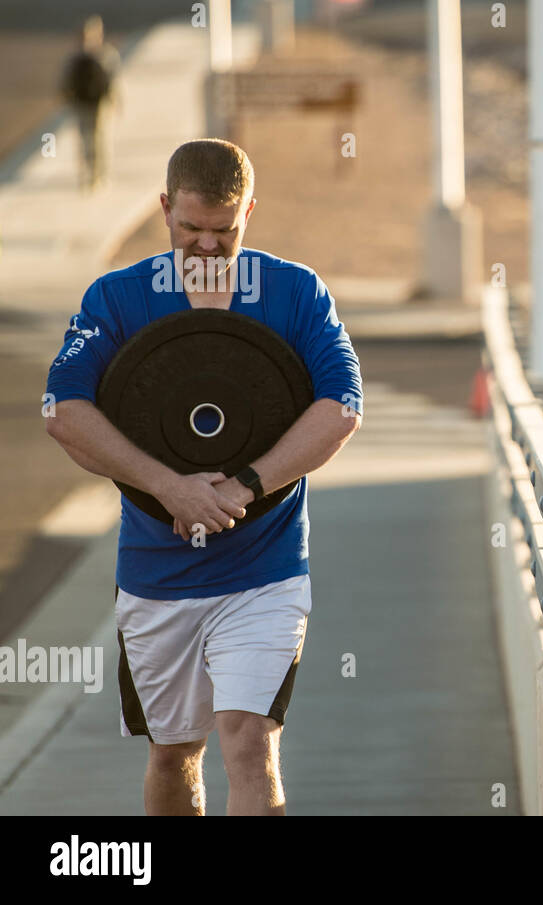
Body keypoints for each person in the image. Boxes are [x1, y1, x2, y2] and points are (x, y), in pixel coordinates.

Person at [43, 139, 363, 816]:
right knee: (173, 751)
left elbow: (340, 408)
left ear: (249, 209)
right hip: (158, 577)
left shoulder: (295, 292)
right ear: (164, 209)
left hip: (266, 571)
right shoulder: (118, 298)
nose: (208, 246)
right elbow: (65, 412)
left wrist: (244, 485)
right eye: (191, 228)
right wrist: (170, 486)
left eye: (226, 230)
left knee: (249, 743)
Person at [60, 15, 119, 192]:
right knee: (86, 139)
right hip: (82, 104)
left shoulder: (105, 55)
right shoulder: (76, 58)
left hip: (100, 105)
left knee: (99, 139)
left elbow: (112, 81)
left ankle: (100, 174)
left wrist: (114, 100)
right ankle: (88, 174)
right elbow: (66, 81)